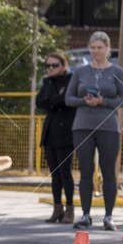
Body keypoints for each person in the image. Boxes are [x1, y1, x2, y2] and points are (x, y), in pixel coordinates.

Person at [65, 30, 123, 230]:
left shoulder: (117, 72)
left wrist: (105, 102)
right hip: (82, 125)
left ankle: (109, 217)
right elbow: (69, 98)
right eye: (92, 48)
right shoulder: (80, 72)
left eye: (99, 47)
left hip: (109, 127)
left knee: (108, 171)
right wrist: (83, 101)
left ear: (107, 49)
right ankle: (85, 214)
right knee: (85, 171)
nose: (95, 51)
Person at [35, 51, 76, 223]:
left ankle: (70, 209)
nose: (50, 68)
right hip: (50, 132)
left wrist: (54, 100)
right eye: (48, 65)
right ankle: (57, 208)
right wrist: (56, 99)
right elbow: (40, 102)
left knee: (65, 172)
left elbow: (67, 100)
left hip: (66, 133)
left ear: (63, 65)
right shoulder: (47, 82)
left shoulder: (71, 80)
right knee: (54, 174)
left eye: (54, 65)